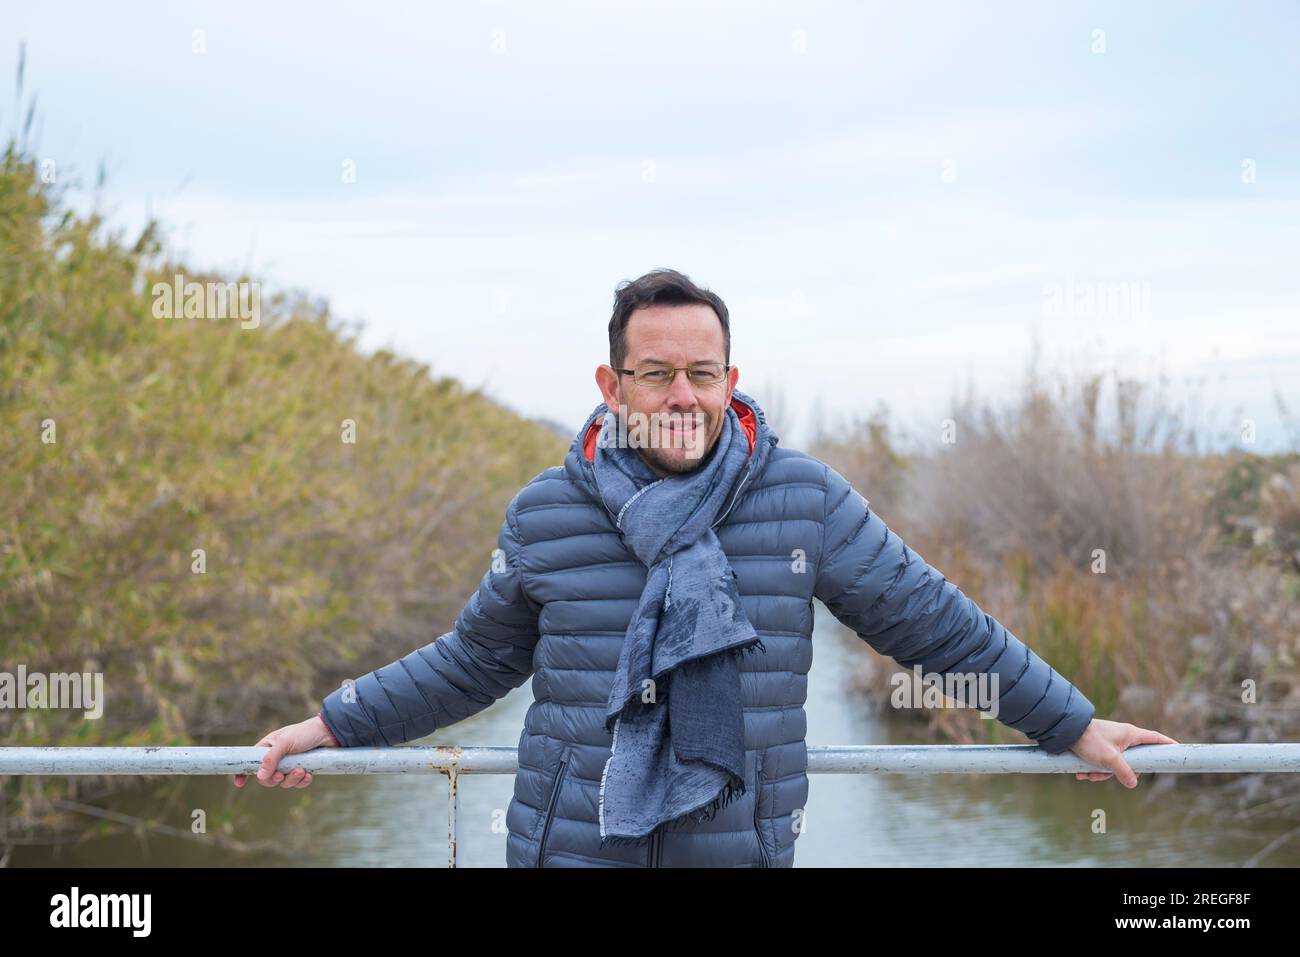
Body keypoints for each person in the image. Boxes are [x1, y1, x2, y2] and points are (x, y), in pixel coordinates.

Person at [234, 267, 1177, 867]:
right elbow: (475, 662)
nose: (682, 394)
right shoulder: (547, 510)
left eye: (704, 371)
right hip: (570, 848)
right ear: (612, 385)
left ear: (731, 376)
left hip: (739, 850)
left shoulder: (803, 499)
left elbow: (928, 622)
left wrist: (1069, 722)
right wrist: (333, 722)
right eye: (656, 372)